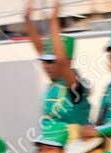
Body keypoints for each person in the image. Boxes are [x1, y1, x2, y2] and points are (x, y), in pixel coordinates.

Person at [24, 0, 91, 131]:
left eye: (51, 62)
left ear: (69, 61)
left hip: (76, 146)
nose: (47, 66)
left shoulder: (76, 86)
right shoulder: (54, 84)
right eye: (45, 62)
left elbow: (61, 62)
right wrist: (27, 19)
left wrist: (53, 20)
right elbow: (42, 52)